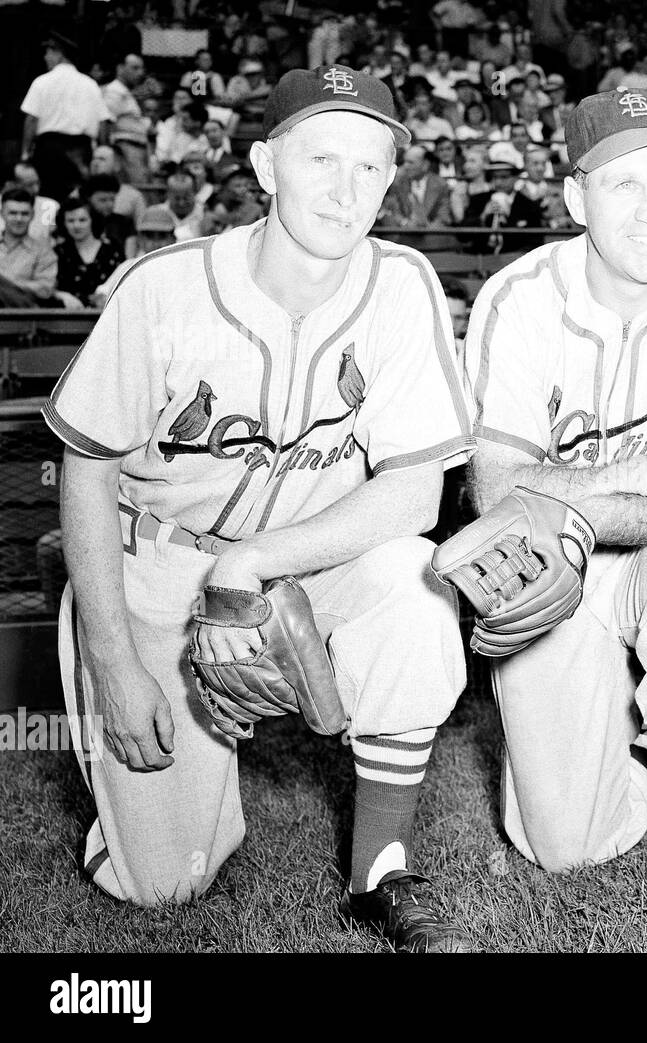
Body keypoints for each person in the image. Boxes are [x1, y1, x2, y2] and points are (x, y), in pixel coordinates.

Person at [42, 63, 476, 952]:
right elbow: (85, 470)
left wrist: (254, 565)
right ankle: (140, 774)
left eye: (368, 166)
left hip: (302, 566)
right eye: (321, 159)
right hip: (158, 560)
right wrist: (114, 658)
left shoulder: (402, 284)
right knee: (164, 883)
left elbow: (413, 490)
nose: (344, 188)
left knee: (413, 581)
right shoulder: (163, 286)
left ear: (392, 179)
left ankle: (380, 872)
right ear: (266, 166)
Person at [462, 85, 647, 937]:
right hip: (555, 568)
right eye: (624, 184)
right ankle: (639, 743)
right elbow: (497, 492)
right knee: (565, 847)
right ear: (573, 197)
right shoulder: (518, 297)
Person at [21, 33, 111, 201]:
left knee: (47, 198)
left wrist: (25, 153)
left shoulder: (42, 82)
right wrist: (102, 149)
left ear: (59, 53)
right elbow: (103, 123)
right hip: (80, 150)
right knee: (75, 198)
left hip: (51, 150)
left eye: (48, 52)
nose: (45, 57)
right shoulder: (90, 84)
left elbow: (31, 119)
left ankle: (49, 227)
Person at [54, 196, 126, 308]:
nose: (76, 225)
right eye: (70, 221)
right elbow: (49, 288)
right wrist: (62, 296)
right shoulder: (58, 252)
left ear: (92, 220)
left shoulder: (112, 249)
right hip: (69, 317)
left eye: (82, 220)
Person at [458, 159, 545, 253]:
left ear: (515, 178)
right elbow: (462, 236)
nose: (498, 182)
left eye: (504, 177)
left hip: (514, 261)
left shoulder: (529, 205)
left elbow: (536, 242)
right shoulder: (478, 200)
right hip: (481, 260)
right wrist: (483, 216)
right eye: (495, 177)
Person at [0, 187, 59, 307]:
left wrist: (6, 282)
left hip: (22, 316)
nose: (19, 219)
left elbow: (45, 289)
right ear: (2, 214)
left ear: (32, 215)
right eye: (13, 213)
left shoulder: (43, 250)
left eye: (24, 214)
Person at [102, 53, 151, 187]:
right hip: (125, 150)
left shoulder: (126, 92)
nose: (140, 73)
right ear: (120, 69)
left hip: (136, 150)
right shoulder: (114, 91)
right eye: (135, 68)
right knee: (134, 188)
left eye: (141, 69)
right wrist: (107, 152)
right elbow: (106, 121)